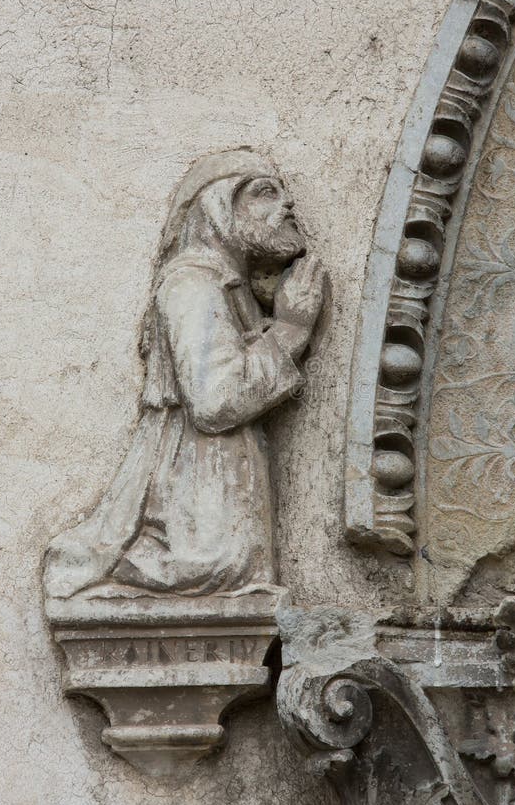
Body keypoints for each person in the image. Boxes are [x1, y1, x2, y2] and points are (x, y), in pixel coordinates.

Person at [43, 149, 326, 599]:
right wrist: (291, 329)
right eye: (265, 193)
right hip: (198, 506)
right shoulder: (193, 282)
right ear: (218, 208)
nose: (287, 204)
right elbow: (214, 401)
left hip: (216, 489)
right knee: (208, 570)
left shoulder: (225, 286)